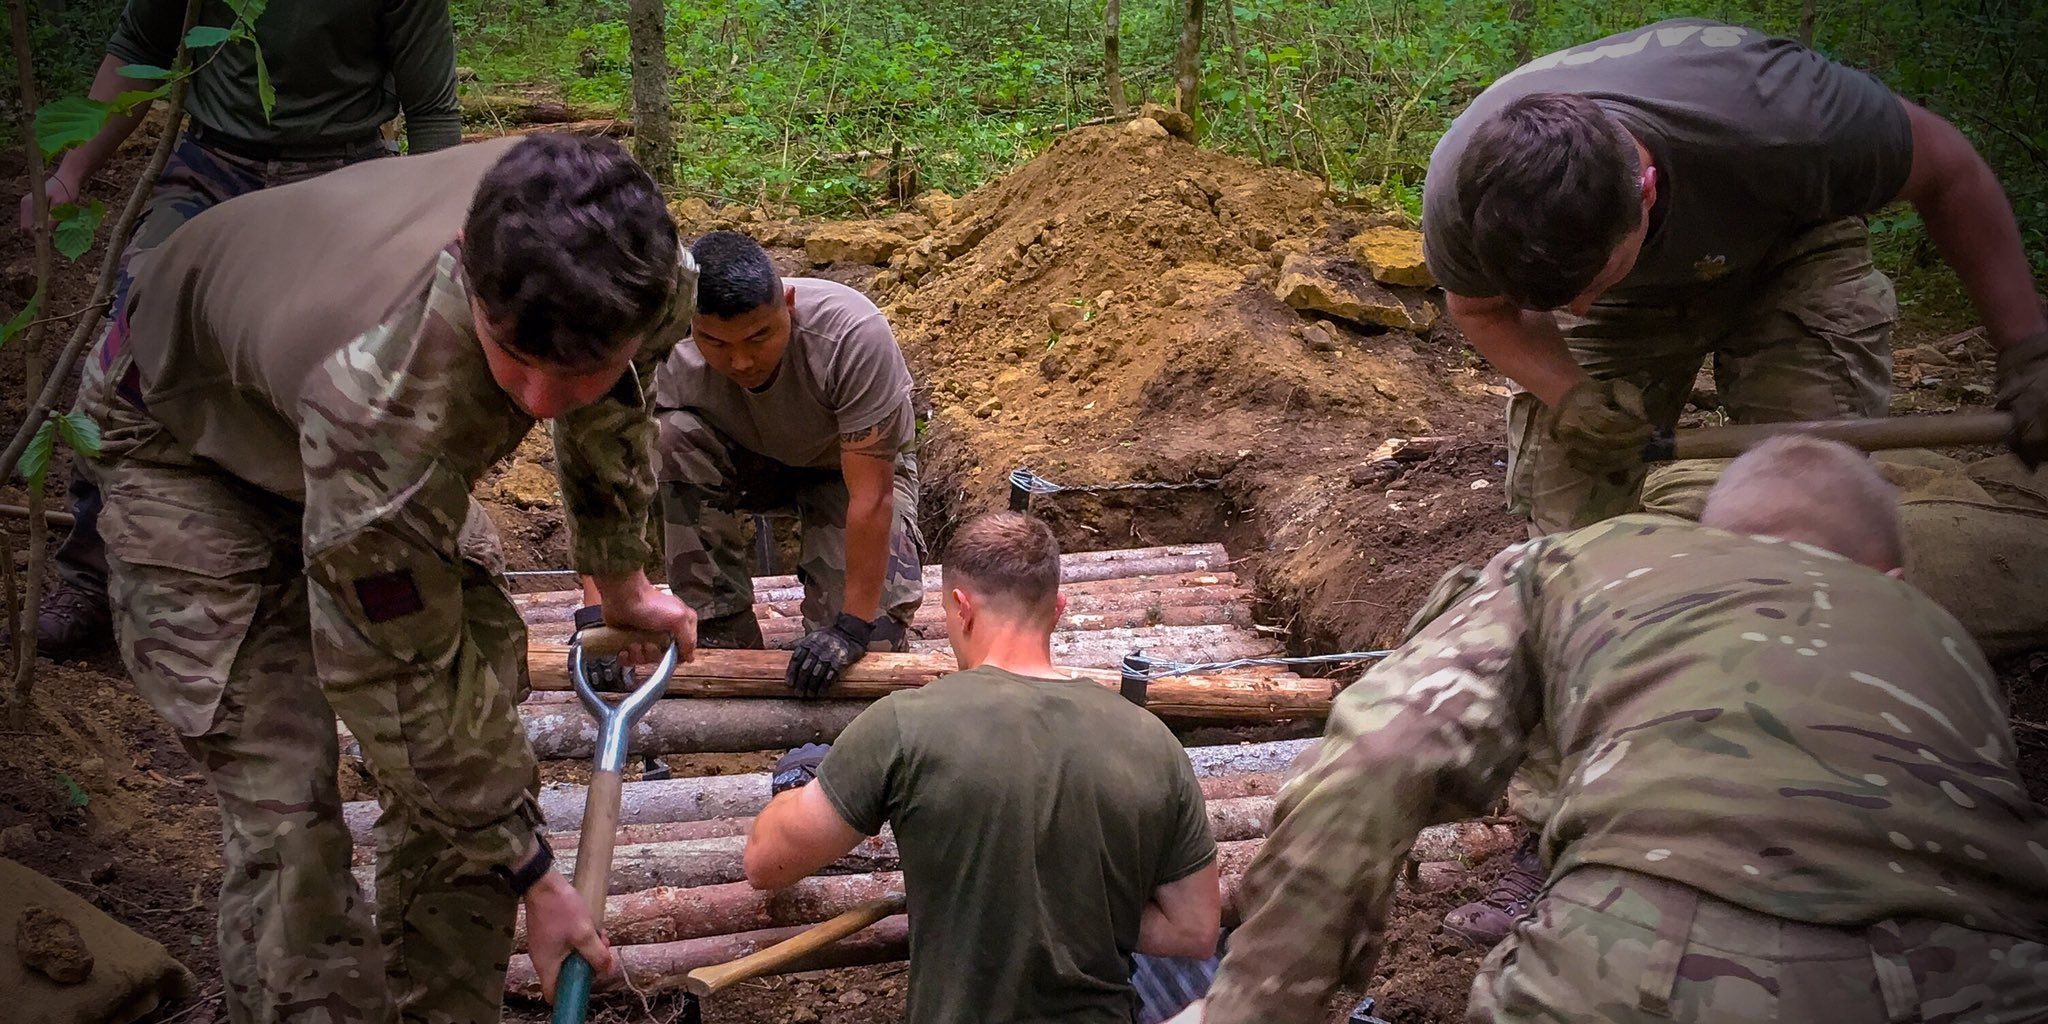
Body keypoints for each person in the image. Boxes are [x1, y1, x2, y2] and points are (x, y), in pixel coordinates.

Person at [80, 133, 697, 1022]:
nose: (534, 401)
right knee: (286, 813)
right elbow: (395, 680)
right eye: (511, 353)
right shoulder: (382, 403)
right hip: (182, 447)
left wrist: (620, 577)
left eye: (575, 371)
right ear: (468, 266)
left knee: (481, 716)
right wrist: (533, 873)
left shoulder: (646, 271)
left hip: (345, 437)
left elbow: (615, 404)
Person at [1168, 436, 2048, 1024]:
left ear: (1708, 535)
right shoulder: (1946, 640)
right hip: (1982, 975)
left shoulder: (1588, 559)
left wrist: (1255, 1006)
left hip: (1642, 965)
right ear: (1888, 577)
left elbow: (1380, 754)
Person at [1422, 19, 2048, 538]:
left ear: (1646, 191)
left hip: (1789, 244)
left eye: (1587, 285)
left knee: (1812, 502)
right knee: (1570, 515)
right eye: (1560, 299)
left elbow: (1951, 170)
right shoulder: (1470, 192)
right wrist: (1569, 392)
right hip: (1634, 284)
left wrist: (2028, 354)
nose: (1578, 312)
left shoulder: (1788, 119)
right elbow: (1480, 309)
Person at [28, 0, 464, 656]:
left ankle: (343, 577)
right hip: (213, 166)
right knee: (130, 343)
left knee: (361, 369)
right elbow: (140, 50)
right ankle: (90, 575)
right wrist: (68, 173)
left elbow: (432, 112)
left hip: (346, 172)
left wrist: (441, 244)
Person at [741, 511, 1222, 1023]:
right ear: (1058, 609)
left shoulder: (904, 724)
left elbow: (766, 864)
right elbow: (1194, 930)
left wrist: (796, 786)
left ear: (961, 607)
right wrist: (1082, 909)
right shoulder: (1153, 741)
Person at [578, 229, 923, 696]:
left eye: (759, 336)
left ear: (789, 304)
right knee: (667, 438)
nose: (741, 361)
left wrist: (851, 627)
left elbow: (872, 496)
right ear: (687, 323)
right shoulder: (652, 345)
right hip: (741, 462)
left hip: (844, 471)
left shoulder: (851, 336)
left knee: (874, 643)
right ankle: (719, 621)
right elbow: (600, 475)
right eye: (715, 343)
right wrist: (598, 614)